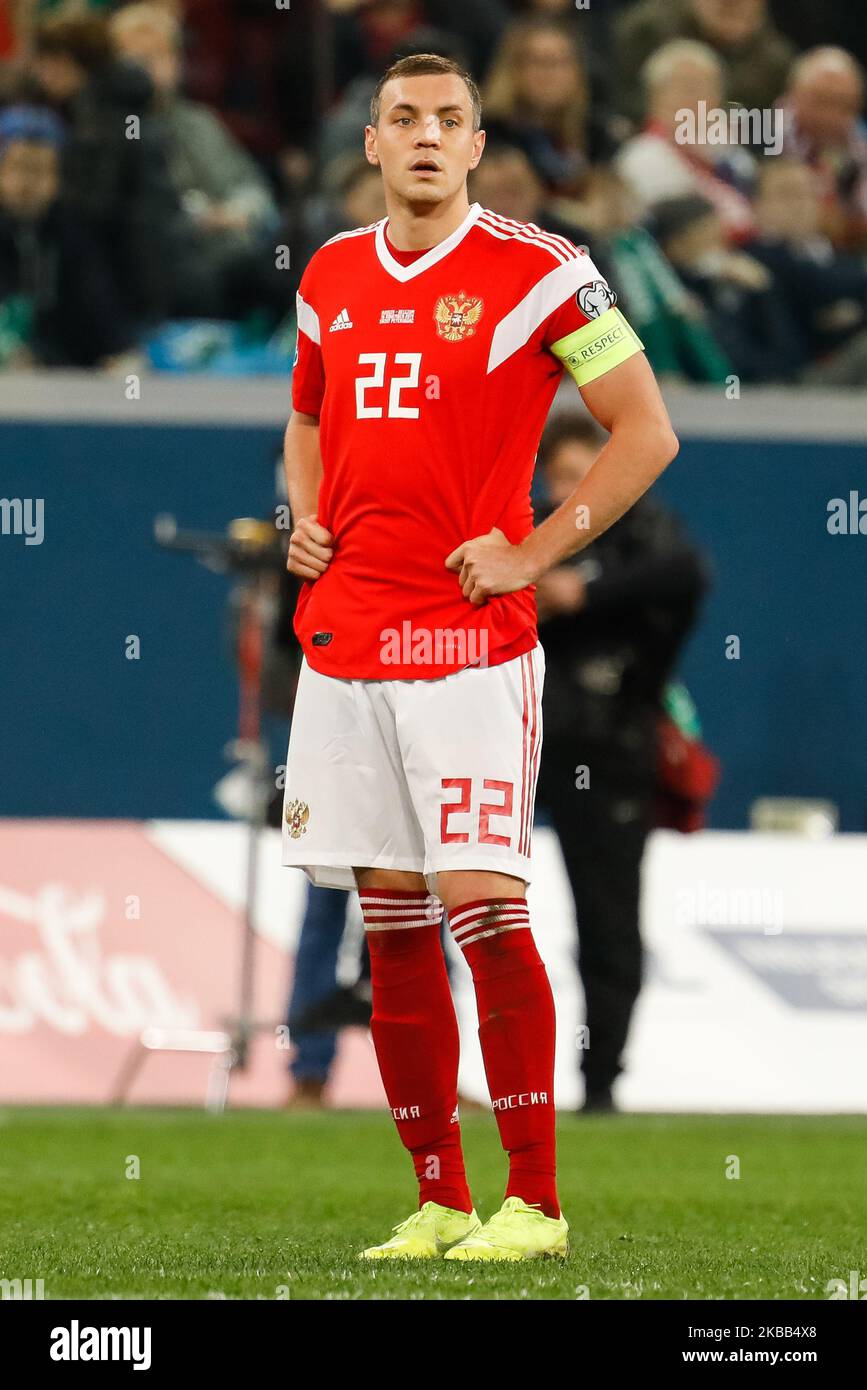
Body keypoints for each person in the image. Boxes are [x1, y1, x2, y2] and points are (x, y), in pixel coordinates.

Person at [281, 51, 678, 1261]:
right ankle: (440, 1198)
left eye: (446, 120)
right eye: (401, 116)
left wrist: (533, 551)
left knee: (482, 911)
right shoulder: (332, 274)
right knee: (388, 918)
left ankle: (538, 1205)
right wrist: (303, 511)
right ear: (371, 142)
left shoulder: (538, 270)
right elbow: (306, 415)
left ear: (474, 144)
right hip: (346, 637)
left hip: (464, 645)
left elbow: (647, 432)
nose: (422, 136)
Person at [533, 414, 708, 1112]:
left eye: (584, 476)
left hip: (608, 747)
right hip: (518, 743)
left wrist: (580, 592)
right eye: (559, 477)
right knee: (464, 903)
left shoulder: (644, 535)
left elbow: (687, 574)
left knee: (606, 920)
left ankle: (599, 1081)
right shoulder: (524, 531)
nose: (570, 491)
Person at [781, 47, 867, 255]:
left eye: (845, 105)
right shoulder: (755, 135)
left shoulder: (858, 145)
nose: (832, 115)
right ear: (793, 95)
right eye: (822, 100)